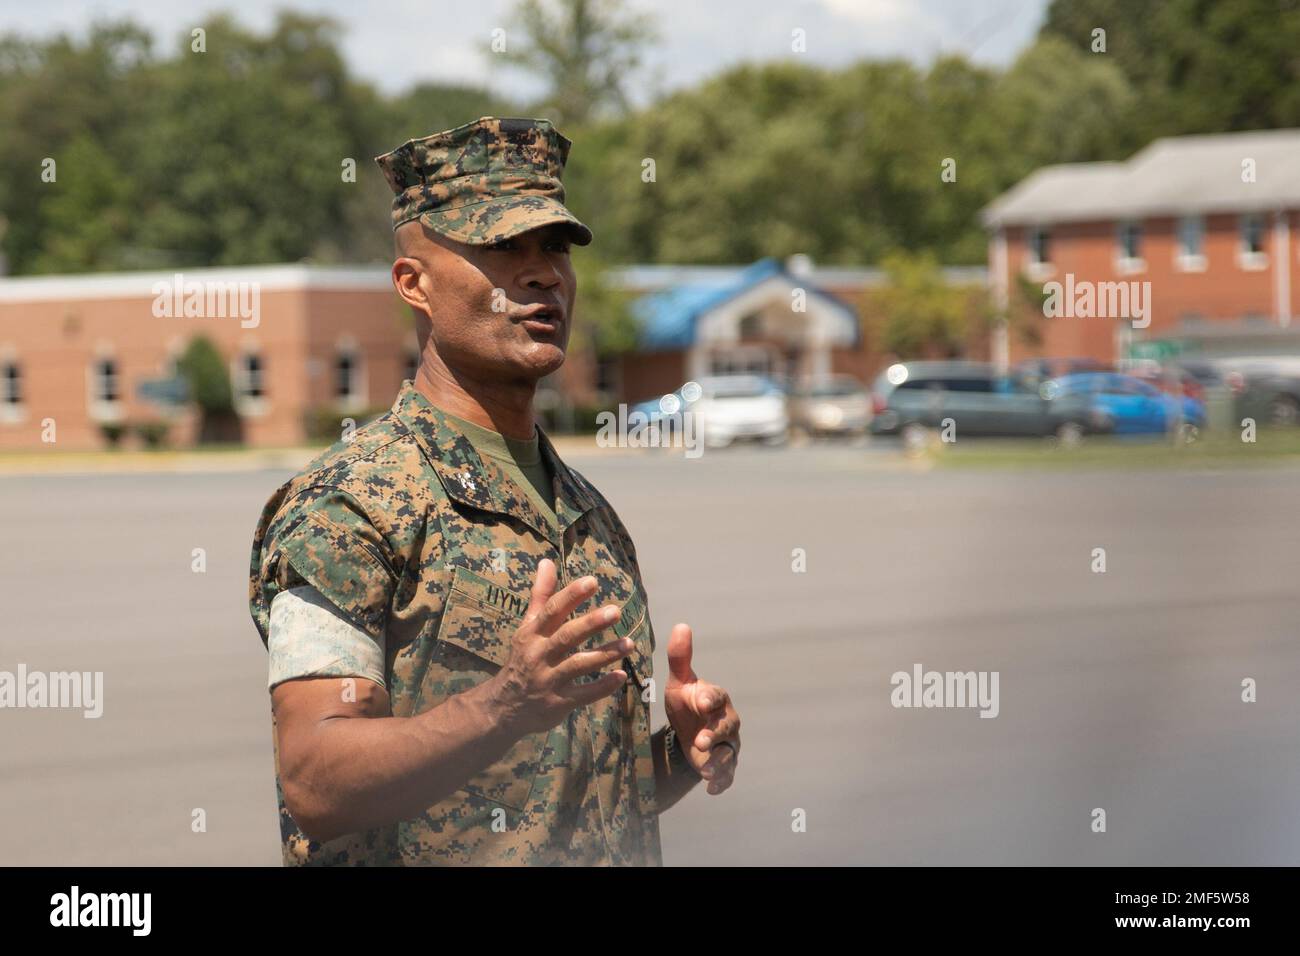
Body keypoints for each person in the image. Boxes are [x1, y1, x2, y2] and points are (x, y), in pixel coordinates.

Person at [247, 117, 741, 865]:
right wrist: (504, 704)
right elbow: (317, 779)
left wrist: (679, 753)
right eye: (503, 247)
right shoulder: (348, 505)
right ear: (413, 284)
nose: (543, 275)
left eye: (556, 248)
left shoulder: (586, 511)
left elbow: (564, 798)